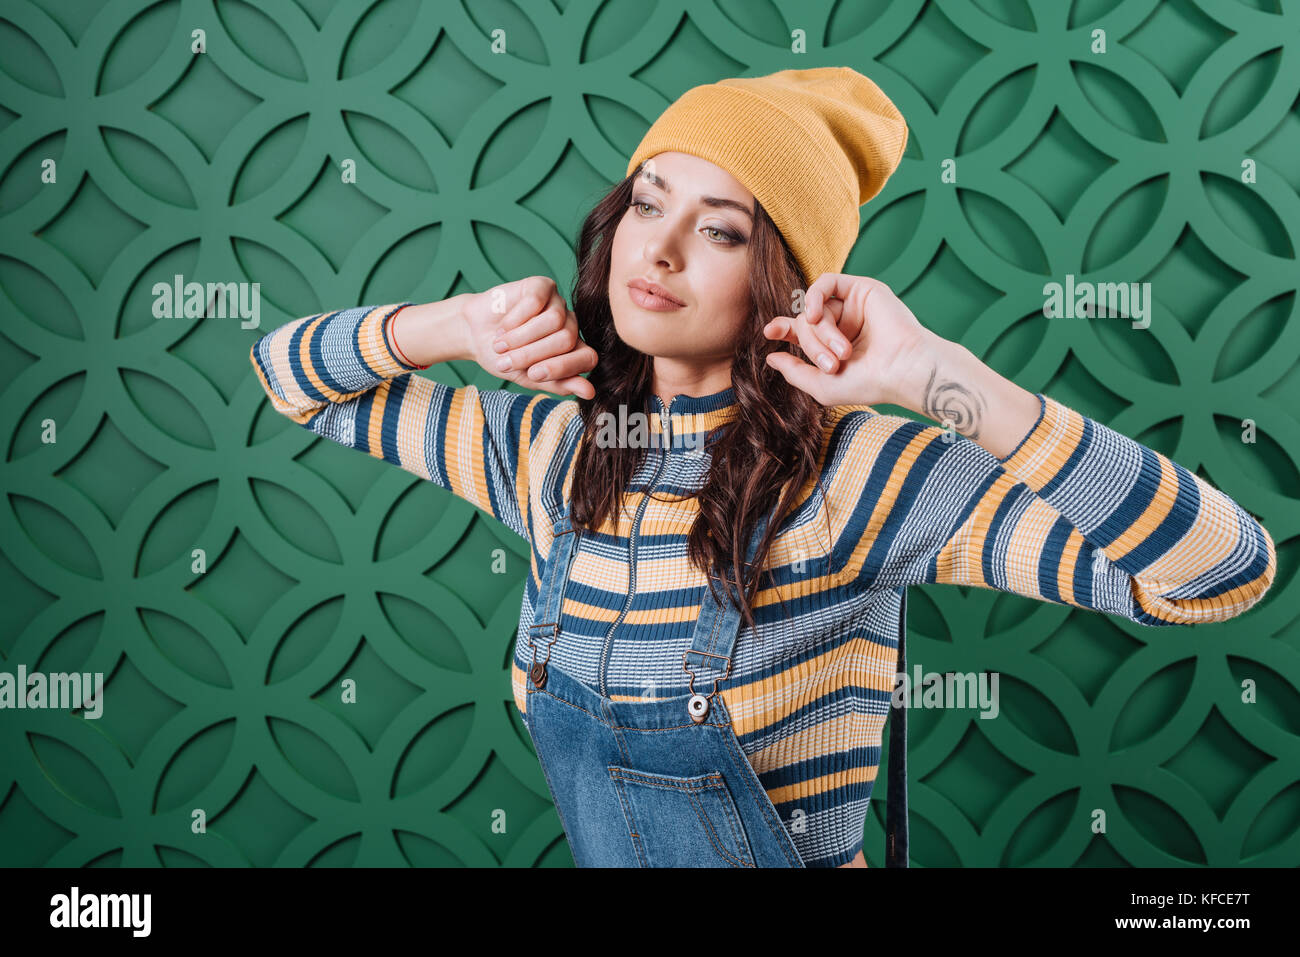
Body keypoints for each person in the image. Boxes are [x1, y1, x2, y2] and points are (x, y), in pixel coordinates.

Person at [248, 68, 1277, 868]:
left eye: (721, 230)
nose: (659, 252)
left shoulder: (859, 479)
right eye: (648, 205)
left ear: (780, 279)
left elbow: (1217, 573)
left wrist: (937, 376)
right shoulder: (553, 454)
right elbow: (291, 378)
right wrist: (453, 324)